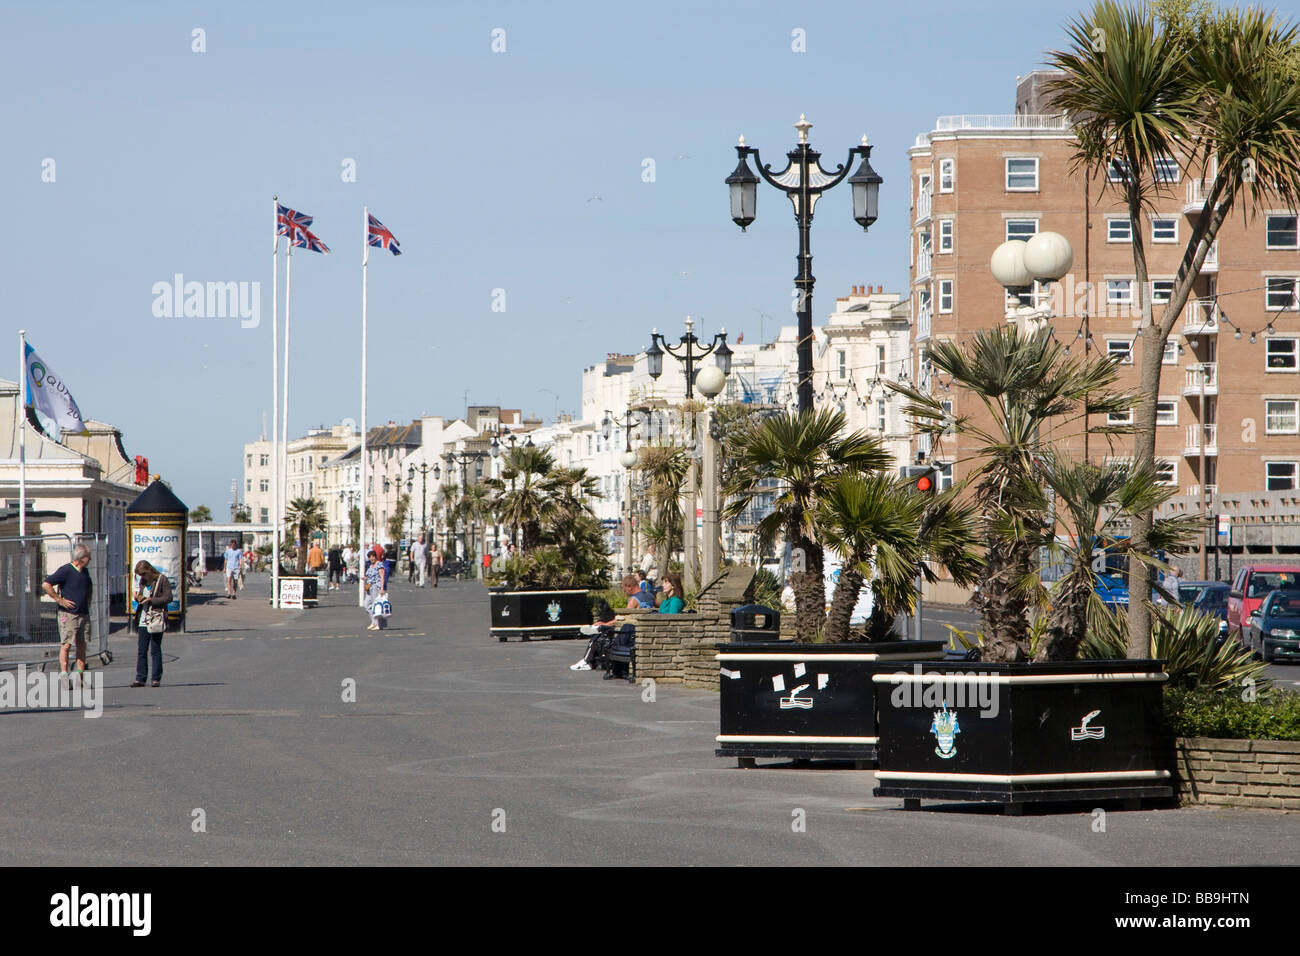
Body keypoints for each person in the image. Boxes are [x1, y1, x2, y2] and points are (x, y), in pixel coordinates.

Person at [43, 544, 93, 685]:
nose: (90, 560)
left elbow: (89, 588)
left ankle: (79, 676)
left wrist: (88, 602)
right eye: (88, 558)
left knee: (82, 644)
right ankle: (64, 673)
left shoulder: (85, 572)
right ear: (81, 558)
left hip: (83, 613)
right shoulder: (66, 570)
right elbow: (46, 584)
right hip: (68, 614)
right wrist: (60, 600)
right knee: (66, 644)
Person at [131, 560, 172, 687]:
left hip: (156, 617)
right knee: (141, 650)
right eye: (140, 575)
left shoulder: (162, 579)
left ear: (149, 571)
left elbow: (168, 597)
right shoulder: (143, 582)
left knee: (155, 649)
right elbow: (140, 595)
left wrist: (151, 600)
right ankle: (140, 678)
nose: (142, 578)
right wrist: (137, 597)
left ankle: (156, 678)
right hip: (143, 618)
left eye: (143, 574)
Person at [570, 600, 618, 671]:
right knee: (594, 638)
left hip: (610, 632)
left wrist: (604, 624)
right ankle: (589, 662)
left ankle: (586, 661)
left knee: (594, 640)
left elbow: (616, 621)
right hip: (606, 630)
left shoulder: (612, 614)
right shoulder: (608, 614)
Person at [364, 550, 389, 631]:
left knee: (376, 606)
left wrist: (382, 588)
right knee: (366, 605)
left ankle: (378, 624)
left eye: (373, 556)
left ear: (375, 556)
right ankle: (374, 622)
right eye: (370, 557)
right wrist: (365, 578)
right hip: (369, 588)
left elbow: (382, 577)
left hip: (376, 587)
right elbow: (369, 576)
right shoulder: (370, 566)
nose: (372, 558)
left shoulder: (379, 565)